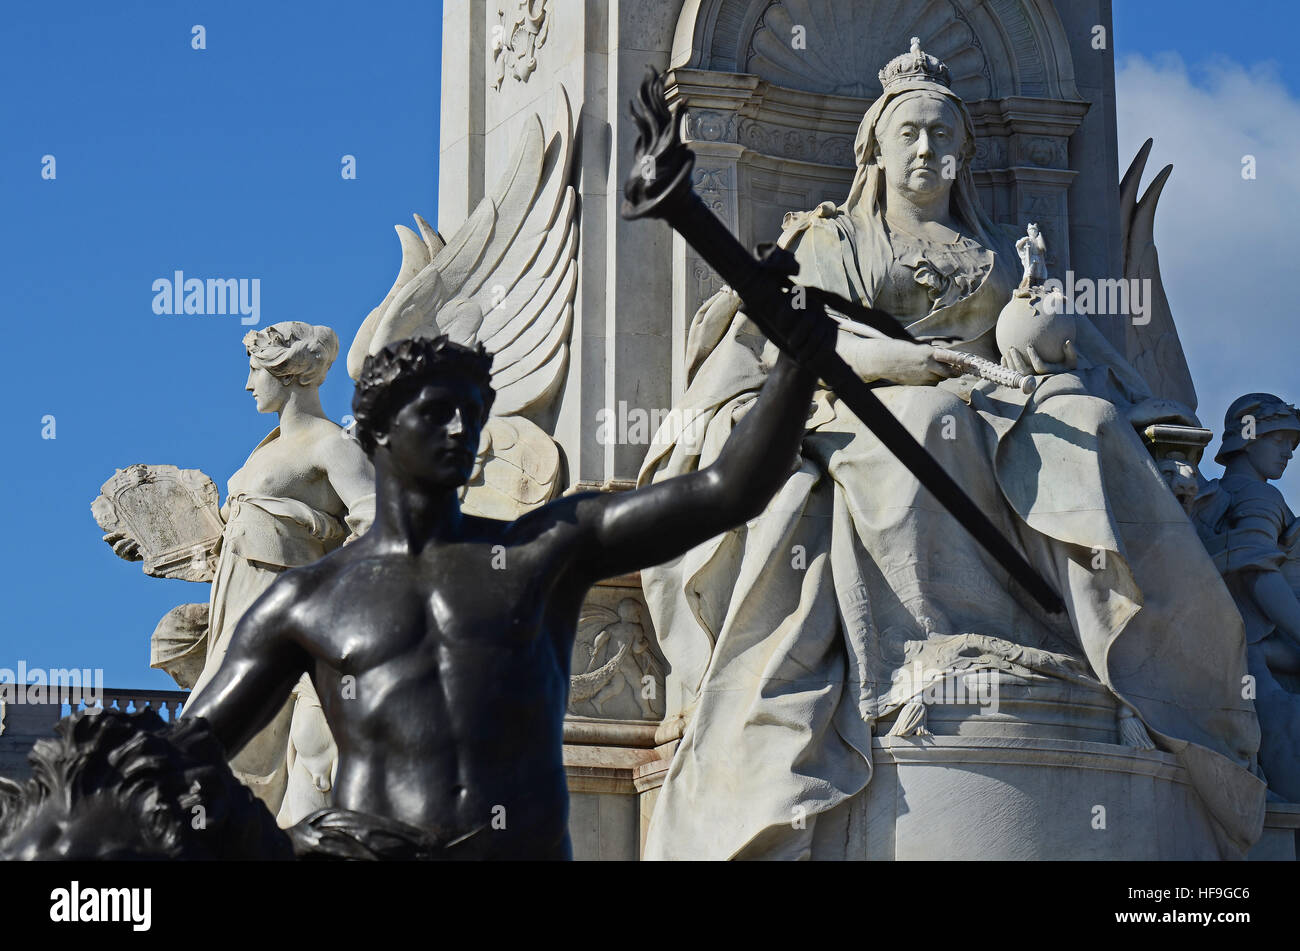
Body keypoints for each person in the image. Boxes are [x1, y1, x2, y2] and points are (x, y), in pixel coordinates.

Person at [637, 40, 1263, 858]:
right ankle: (932, 651)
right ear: (877, 148)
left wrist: (1128, 400)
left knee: (1094, 429)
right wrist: (893, 362)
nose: (928, 151)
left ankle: (1134, 660)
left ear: (967, 153)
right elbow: (790, 341)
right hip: (861, 404)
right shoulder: (831, 242)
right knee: (929, 421)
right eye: (911, 136)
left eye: (943, 136)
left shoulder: (998, 251)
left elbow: (1078, 354)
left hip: (999, 397)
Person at [182, 323, 826, 859]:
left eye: (472, 414)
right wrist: (286, 845)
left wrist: (796, 364)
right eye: (437, 413)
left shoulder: (542, 551)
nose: (462, 431)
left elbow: (729, 490)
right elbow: (186, 754)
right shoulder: (307, 599)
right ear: (376, 430)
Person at [185, 321, 376, 825]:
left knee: (303, 761)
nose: (248, 384)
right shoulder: (264, 451)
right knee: (202, 758)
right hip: (236, 625)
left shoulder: (330, 444)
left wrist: (323, 581)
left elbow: (376, 521)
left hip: (292, 630)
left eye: (254, 371)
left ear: (287, 374)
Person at [1194, 394, 1300, 800]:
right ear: (1248, 436)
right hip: (1257, 658)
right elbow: (1258, 572)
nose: (1289, 453)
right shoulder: (1258, 496)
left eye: (1292, 444)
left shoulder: (1227, 494)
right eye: (1280, 440)